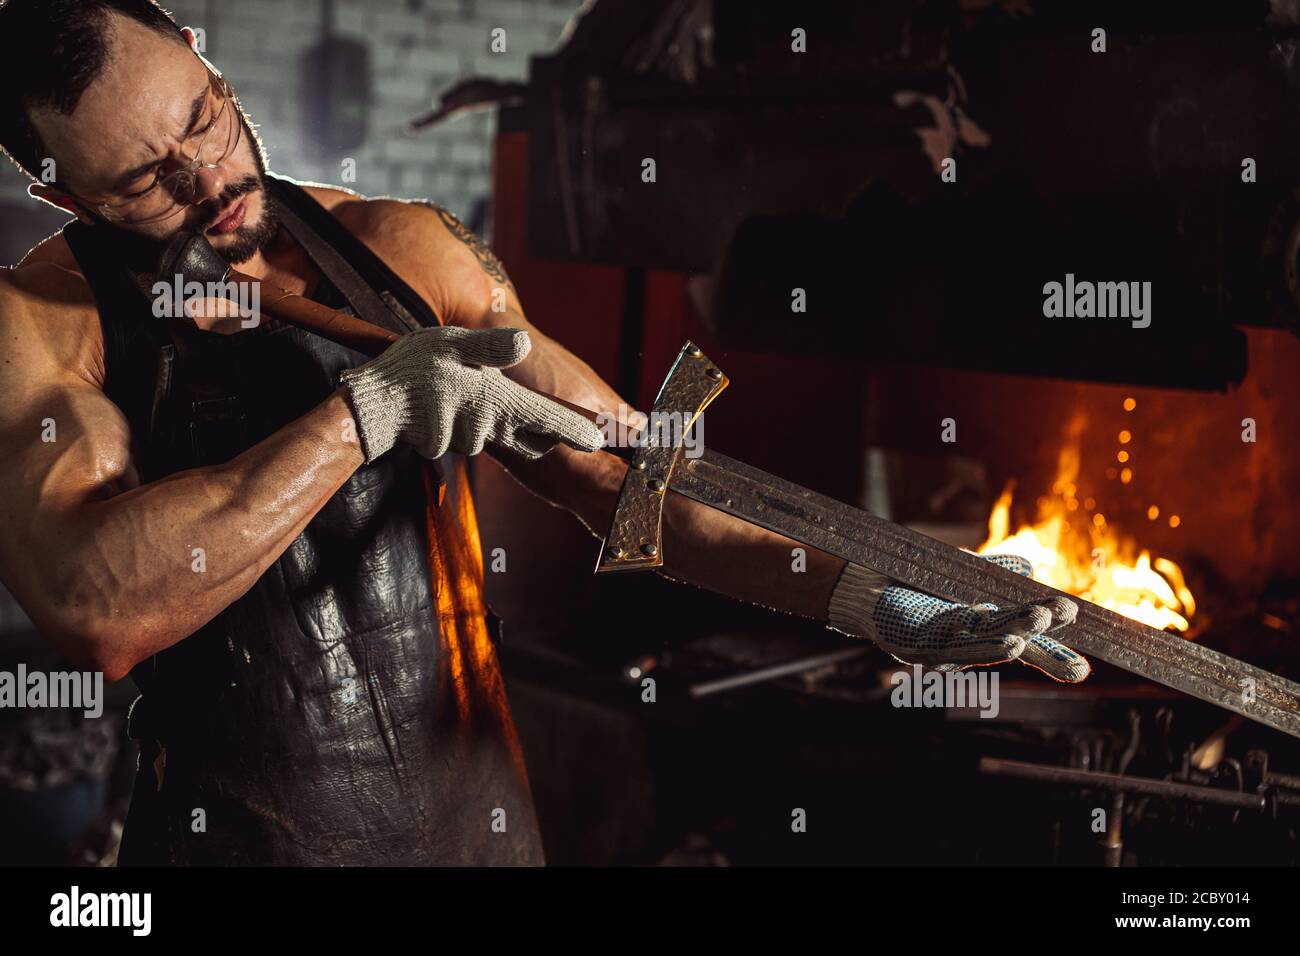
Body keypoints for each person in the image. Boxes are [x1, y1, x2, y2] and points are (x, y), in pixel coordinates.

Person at [0, 0, 1087, 865]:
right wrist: (362, 416)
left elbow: (631, 481)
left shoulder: (402, 250)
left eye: (201, 117)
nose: (210, 181)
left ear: (204, 57)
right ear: (59, 190)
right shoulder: (47, 323)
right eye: (146, 180)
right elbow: (101, 607)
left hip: (475, 832)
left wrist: (877, 597)